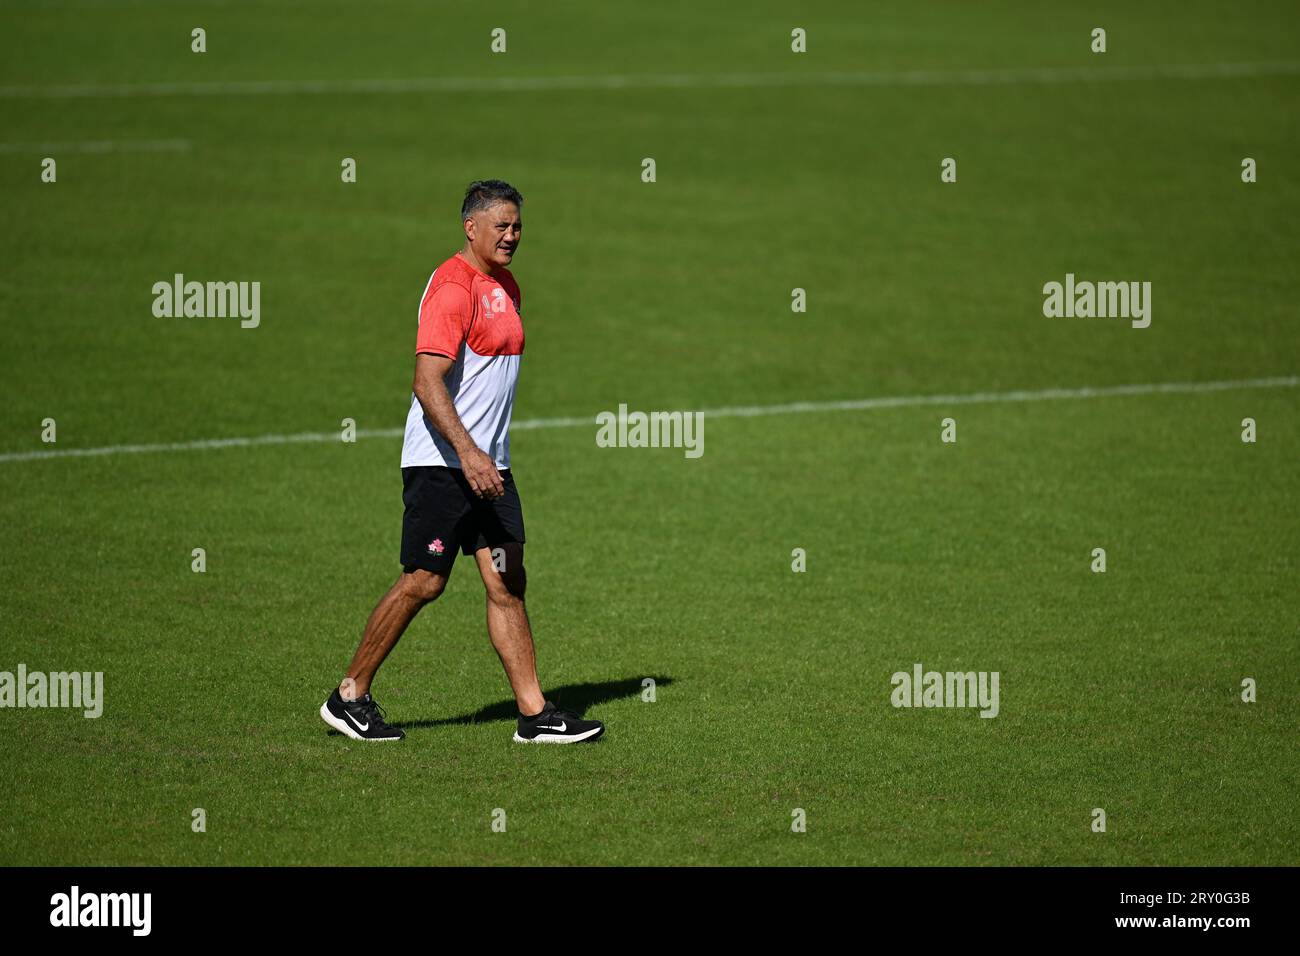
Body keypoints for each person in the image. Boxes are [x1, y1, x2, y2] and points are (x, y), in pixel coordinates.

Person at [319, 179, 604, 744]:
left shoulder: (506, 285)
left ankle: (533, 714)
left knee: (505, 580)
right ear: (470, 227)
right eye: (501, 226)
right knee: (424, 581)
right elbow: (427, 382)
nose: (512, 235)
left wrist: (486, 457)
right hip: (443, 464)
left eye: (517, 226)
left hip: (488, 465)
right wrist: (468, 453)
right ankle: (348, 695)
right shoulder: (453, 287)